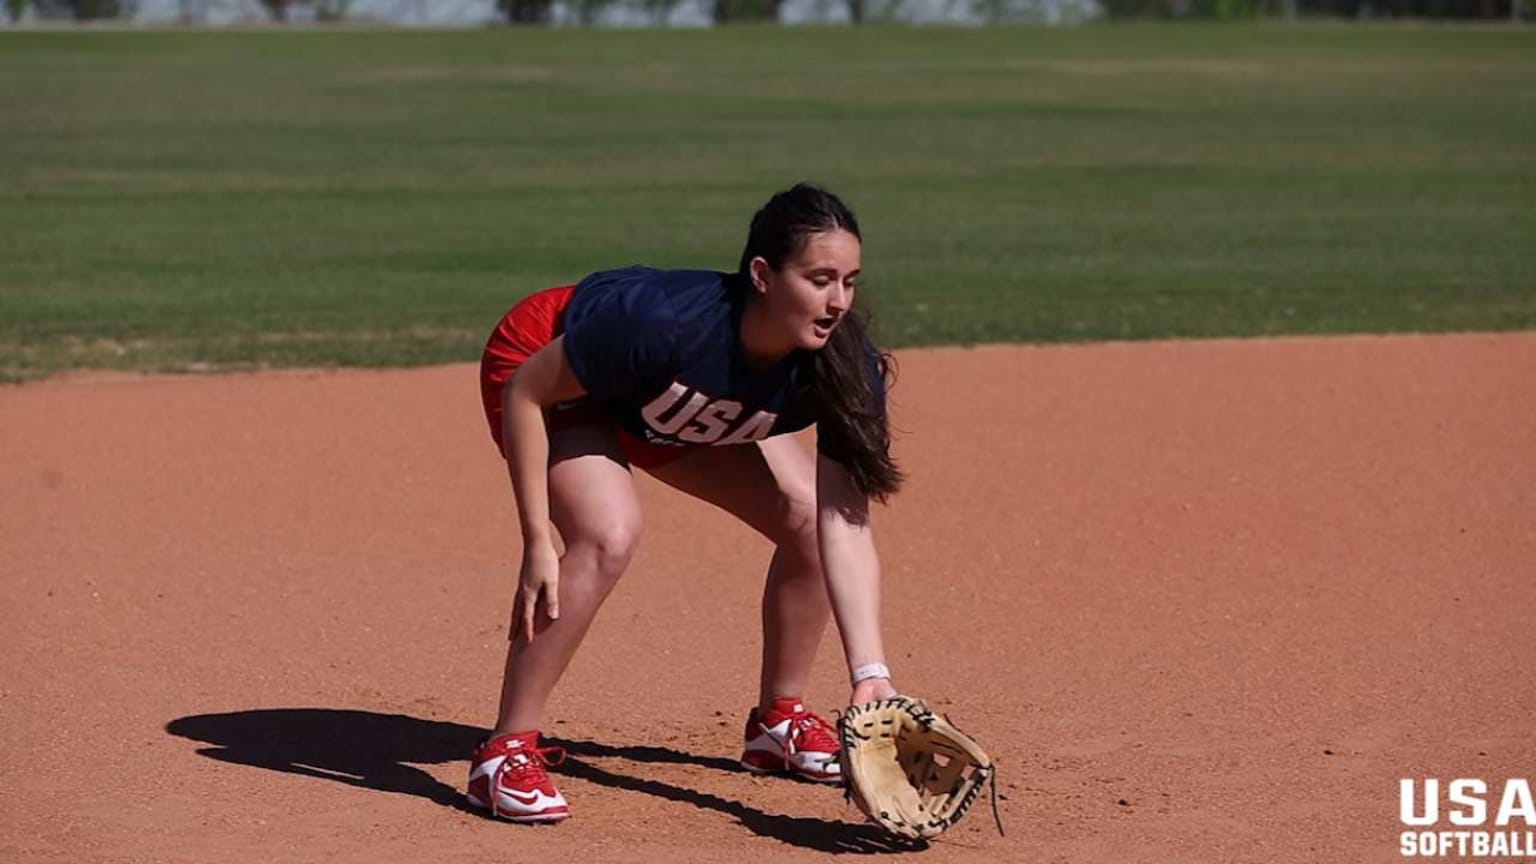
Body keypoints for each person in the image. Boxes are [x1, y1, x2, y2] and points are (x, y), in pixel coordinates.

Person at [467, 183, 904, 823]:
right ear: (762, 274)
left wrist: (870, 672)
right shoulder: (663, 322)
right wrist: (536, 537)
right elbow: (529, 392)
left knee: (807, 520)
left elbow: (844, 520)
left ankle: (776, 724)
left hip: (664, 401)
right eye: (819, 279)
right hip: (552, 365)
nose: (838, 301)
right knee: (608, 533)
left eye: (849, 281)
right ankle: (503, 751)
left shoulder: (841, 367)